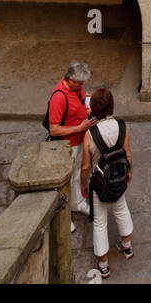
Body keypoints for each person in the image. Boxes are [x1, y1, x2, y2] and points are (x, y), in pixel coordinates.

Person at [81, 87, 133, 279]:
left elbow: (85, 166)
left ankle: (103, 263)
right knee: (121, 208)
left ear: (93, 108)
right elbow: (127, 153)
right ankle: (127, 245)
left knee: (100, 221)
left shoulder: (90, 134)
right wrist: (129, 171)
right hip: (119, 177)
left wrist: (83, 185)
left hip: (100, 182)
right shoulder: (121, 126)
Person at [46, 61, 94, 218]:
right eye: (79, 83)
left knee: (77, 172)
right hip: (69, 144)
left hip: (80, 140)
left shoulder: (77, 88)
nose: (81, 86)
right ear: (70, 80)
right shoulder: (59, 98)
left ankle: (77, 203)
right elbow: (54, 128)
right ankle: (63, 212)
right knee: (67, 177)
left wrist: (87, 110)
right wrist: (79, 128)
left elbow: (80, 104)